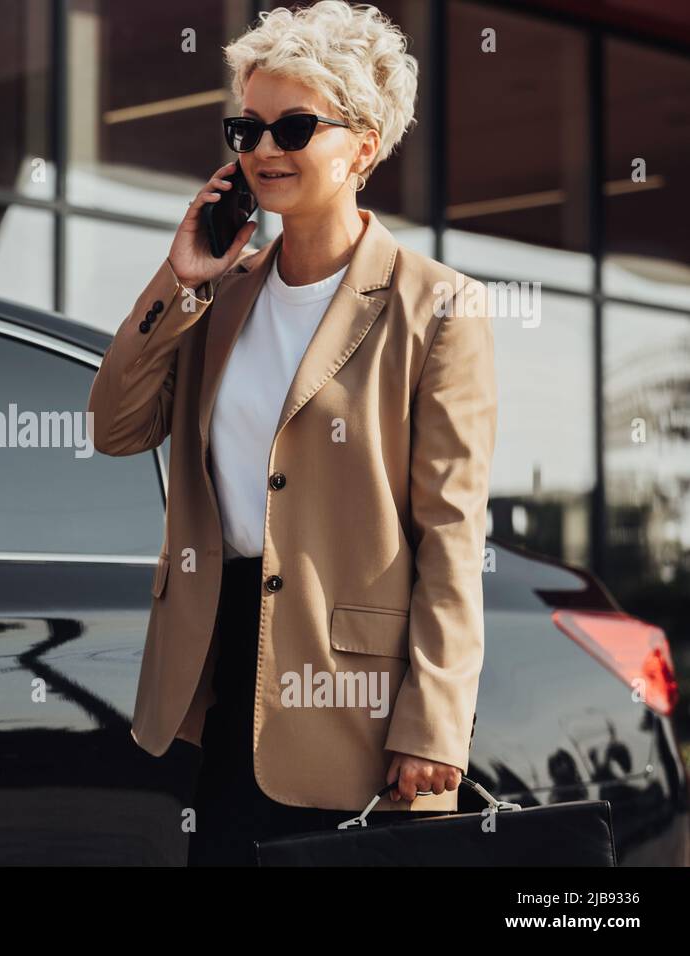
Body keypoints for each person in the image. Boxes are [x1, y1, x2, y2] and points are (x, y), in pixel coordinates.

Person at [88, 1, 497, 865]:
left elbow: (453, 533)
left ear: (365, 145)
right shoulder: (219, 296)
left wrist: (435, 724)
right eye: (248, 127)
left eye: (295, 126)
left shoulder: (439, 308)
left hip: (356, 694)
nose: (264, 150)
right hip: (221, 667)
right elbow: (117, 428)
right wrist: (181, 275)